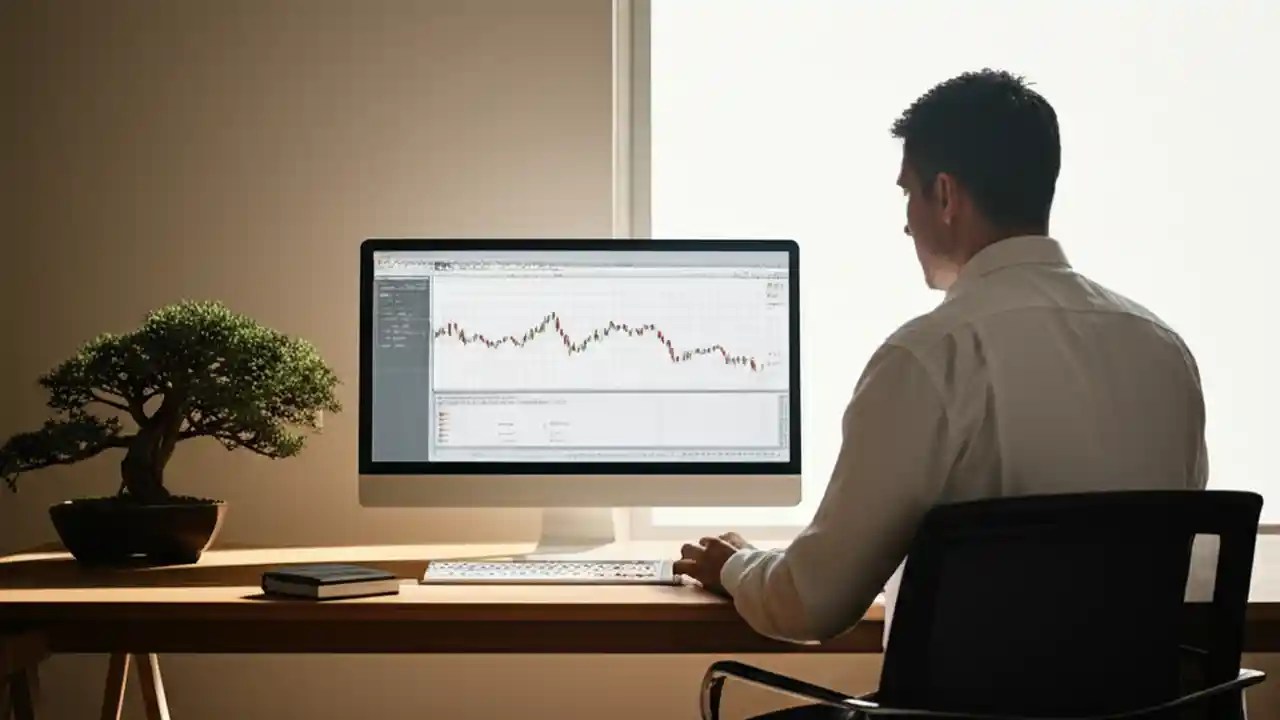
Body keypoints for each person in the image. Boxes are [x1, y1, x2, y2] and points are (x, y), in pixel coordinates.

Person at [673, 68, 1208, 717]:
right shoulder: (1163, 350)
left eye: (908, 193)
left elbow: (811, 605)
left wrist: (735, 566)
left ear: (946, 195)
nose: (906, 224)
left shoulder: (931, 356)